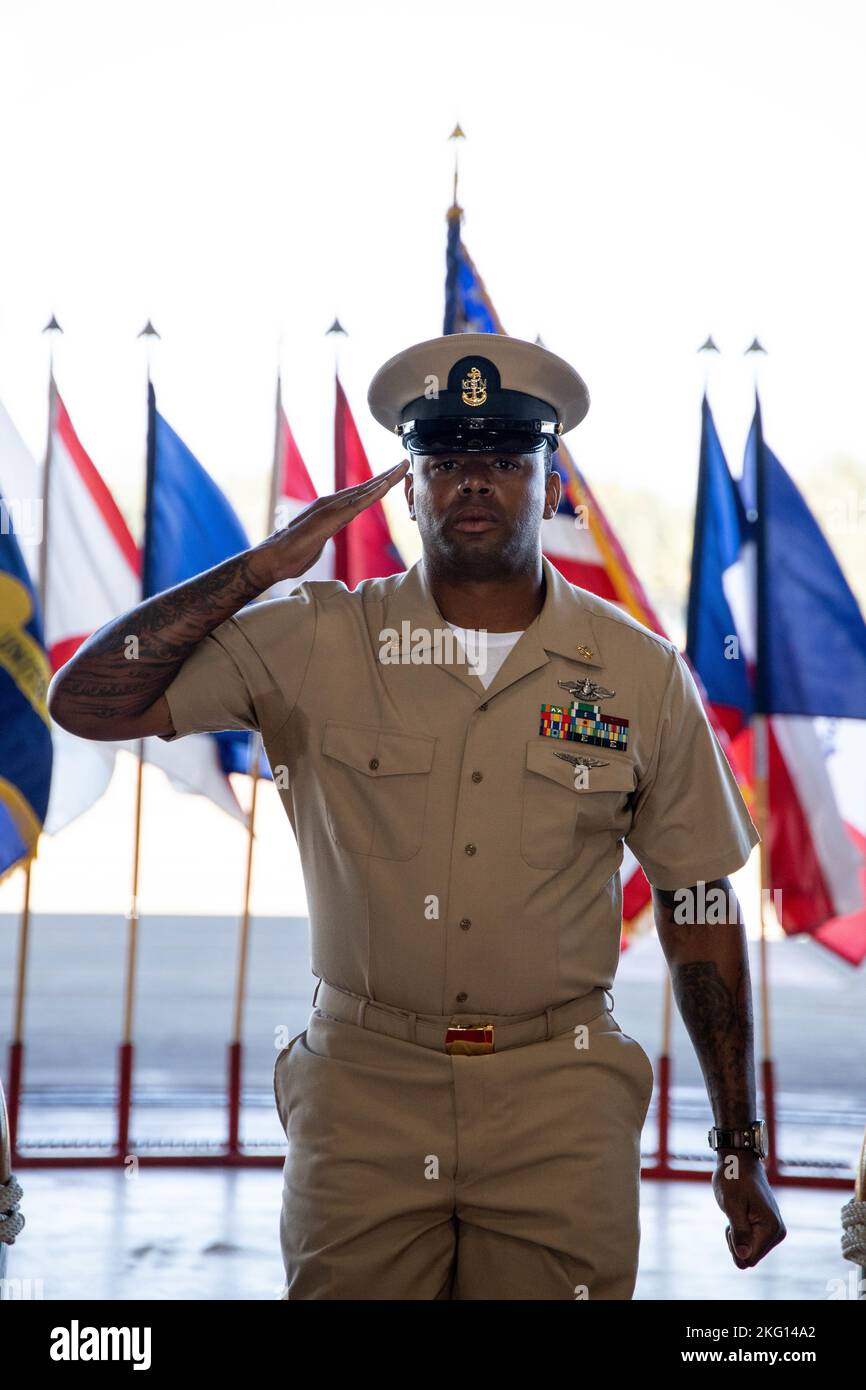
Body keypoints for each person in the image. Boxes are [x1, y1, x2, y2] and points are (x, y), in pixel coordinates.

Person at [48, 333, 786, 1299]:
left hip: (557, 1101)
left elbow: (699, 905)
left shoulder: (640, 672)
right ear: (409, 488)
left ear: (551, 480)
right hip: (363, 1096)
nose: (472, 482)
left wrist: (738, 1145)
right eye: (443, 462)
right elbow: (87, 700)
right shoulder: (316, 639)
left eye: (503, 459)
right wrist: (260, 569)